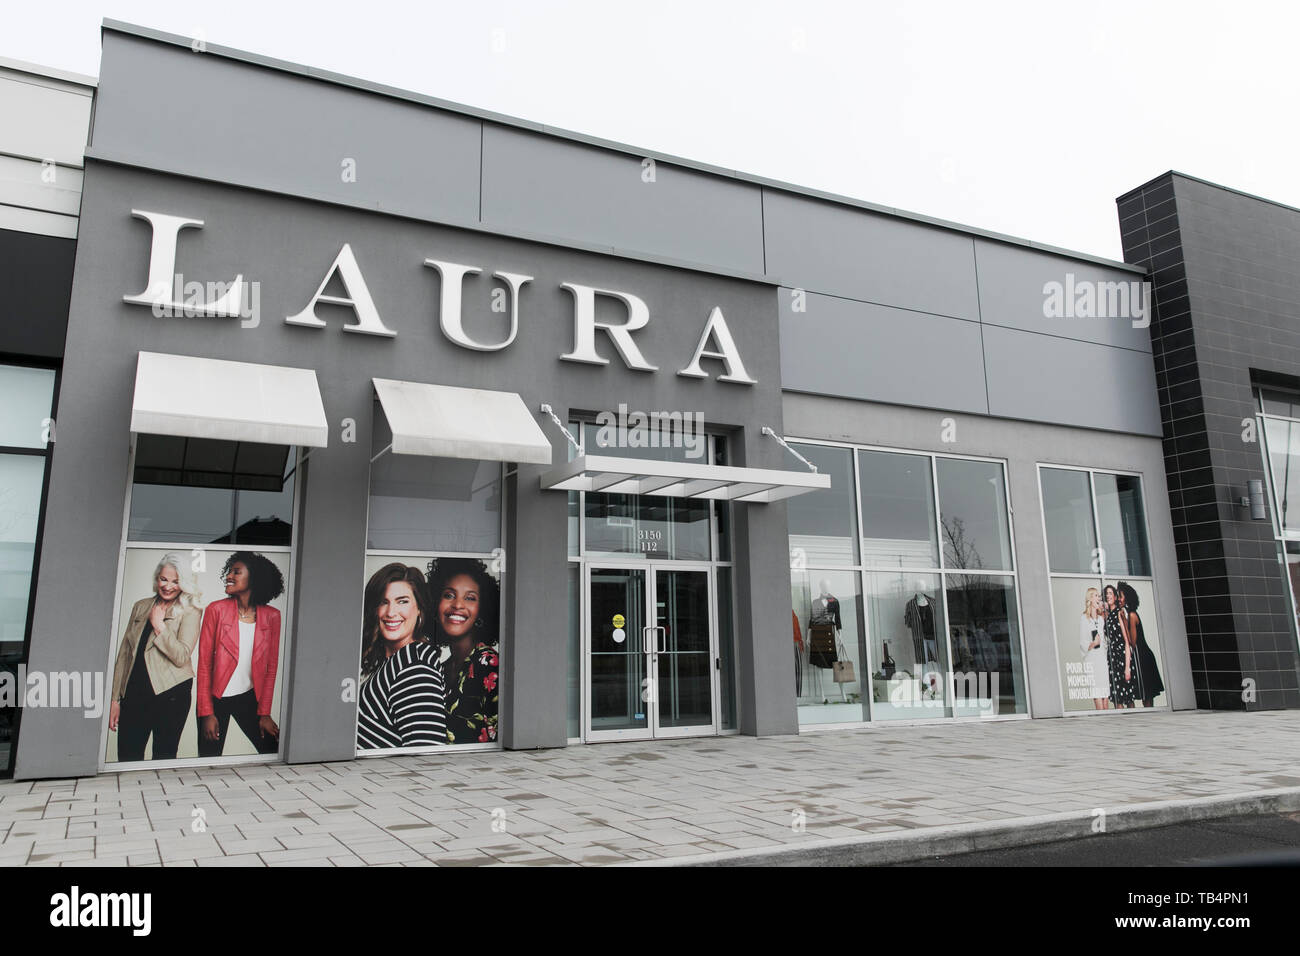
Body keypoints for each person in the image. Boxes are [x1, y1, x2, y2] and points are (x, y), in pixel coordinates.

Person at [109, 554, 202, 760]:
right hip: (134, 694)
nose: (168, 586)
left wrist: (159, 625)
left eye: (176, 581)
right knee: (127, 757)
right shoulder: (140, 606)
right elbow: (124, 655)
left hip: (171, 695)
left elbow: (181, 656)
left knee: (163, 758)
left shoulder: (191, 611)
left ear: (184, 583)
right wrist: (115, 699)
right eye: (164, 579)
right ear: (156, 579)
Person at [195, 552, 284, 757]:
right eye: (229, 571)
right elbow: (204, 665)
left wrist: (264, 713)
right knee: (209, 759)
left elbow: (271, 669)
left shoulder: (272, 616)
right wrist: (207, 712)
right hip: (216, 699)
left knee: (272, 749)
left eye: (236, 572)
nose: (228, 576)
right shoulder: (216, 610)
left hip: (249, 697)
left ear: (254, 578)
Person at [356, 563, 447, 749]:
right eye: (384, 601)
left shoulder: (416, 669)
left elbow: (425, 753)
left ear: (420, 609)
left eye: (402, 601)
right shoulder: (396, 663)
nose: (391, 612)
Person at [427, 557, 499, 745]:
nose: (458, 605)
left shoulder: (488, 664)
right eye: (449, 595)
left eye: (470, 598)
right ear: (436, 604)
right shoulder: (439, 668)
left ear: (482, 610)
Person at [1118, 581, 1164, 707]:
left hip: (1142, 657)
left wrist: (1123, 620)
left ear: (1127, 598)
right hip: (1141, 656)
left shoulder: (1132, 616)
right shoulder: (1130, 614)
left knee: (1146, 694)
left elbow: (1132, 642)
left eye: (1121, 596)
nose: (1119, 599)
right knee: (1146, 694)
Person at [1103, 584, 1136, 709]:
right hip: (1112, 658)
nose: (1108, 596)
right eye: (1106, 593)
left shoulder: (1119, 613)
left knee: (1128, 696)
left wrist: (1127, 667)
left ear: (1116, 597)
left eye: (1110, 593)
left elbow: (1127, 641)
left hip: (1122, 656)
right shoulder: (1107, 616)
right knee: (1117, 697)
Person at [1077, 587, 1110, 710]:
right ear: (1090, 599)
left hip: (1101, 659)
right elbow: (1082, 643)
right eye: (1096, 596)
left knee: (1105, 694)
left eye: (1099, 596)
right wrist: (1093, 643)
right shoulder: (1084, 619)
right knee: (1096, 692)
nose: (1099, 598)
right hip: (1092, 659)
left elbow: (1104, 641)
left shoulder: (1101, 620)